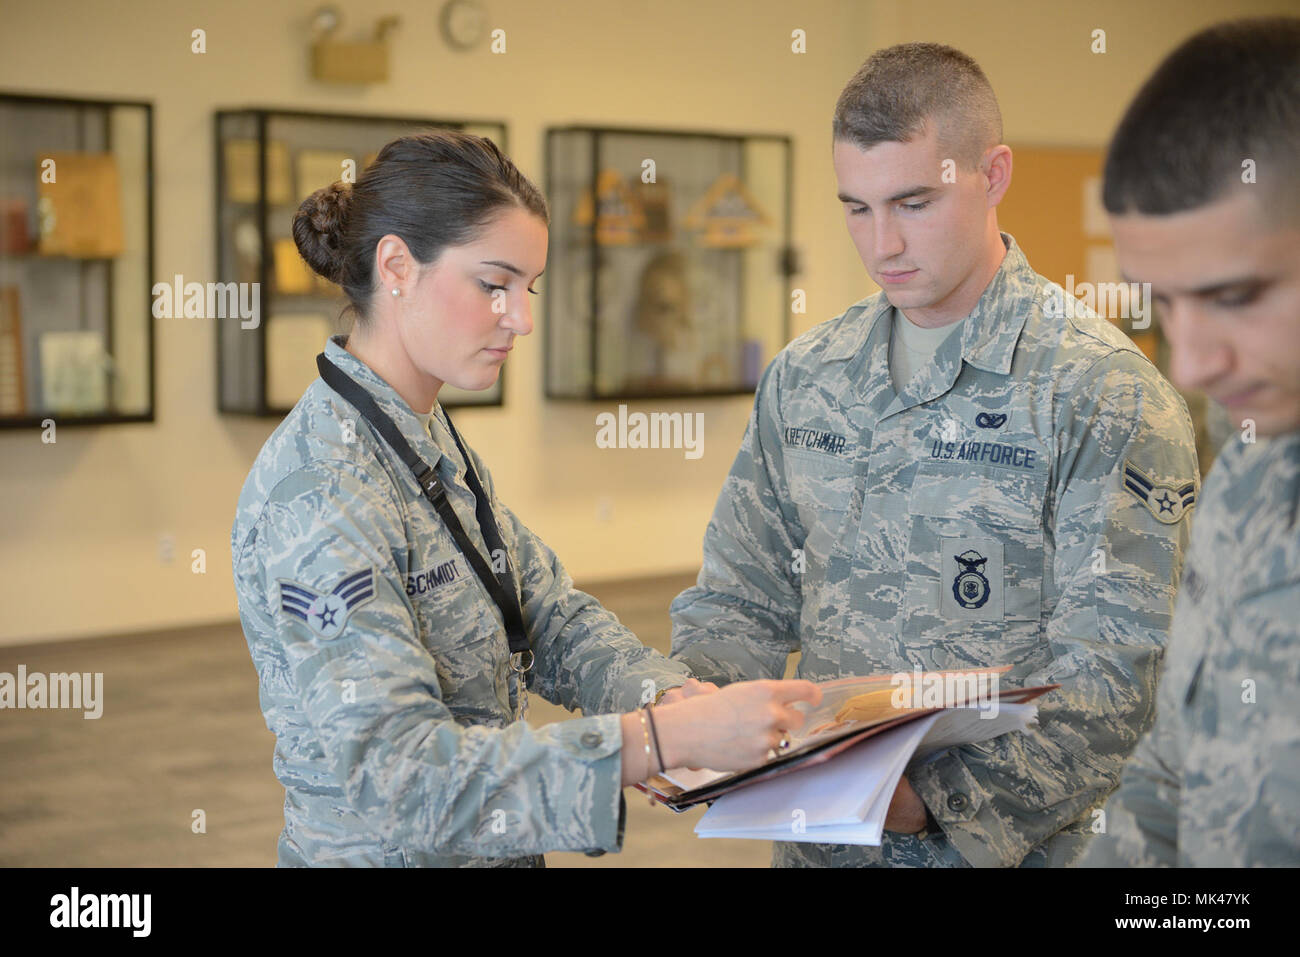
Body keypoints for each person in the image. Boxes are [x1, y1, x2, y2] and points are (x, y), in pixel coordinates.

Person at [669, 43, 1200, 868]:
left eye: (914, 202)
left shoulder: (1100, 392)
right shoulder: (807, 377)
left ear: (992, 174)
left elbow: (1120, 674)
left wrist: (930, 804)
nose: (882, 243)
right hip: (822, 847)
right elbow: (743, 594)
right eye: (857, 207)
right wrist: (693, 718)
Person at [230, 129, 820, 867]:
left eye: (529, 289)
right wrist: (660, 743)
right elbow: (408, 778)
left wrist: (668, 697)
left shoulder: (424, 429)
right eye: (493, 285)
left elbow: (544, 611)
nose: (523, 319)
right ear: (397, 267)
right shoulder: (321, 487)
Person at [1078, 17, 1300, 867]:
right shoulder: (1250, 457)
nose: (1196, 362)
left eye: (1235, 294)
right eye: (1163, 303)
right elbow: (1174, 769)